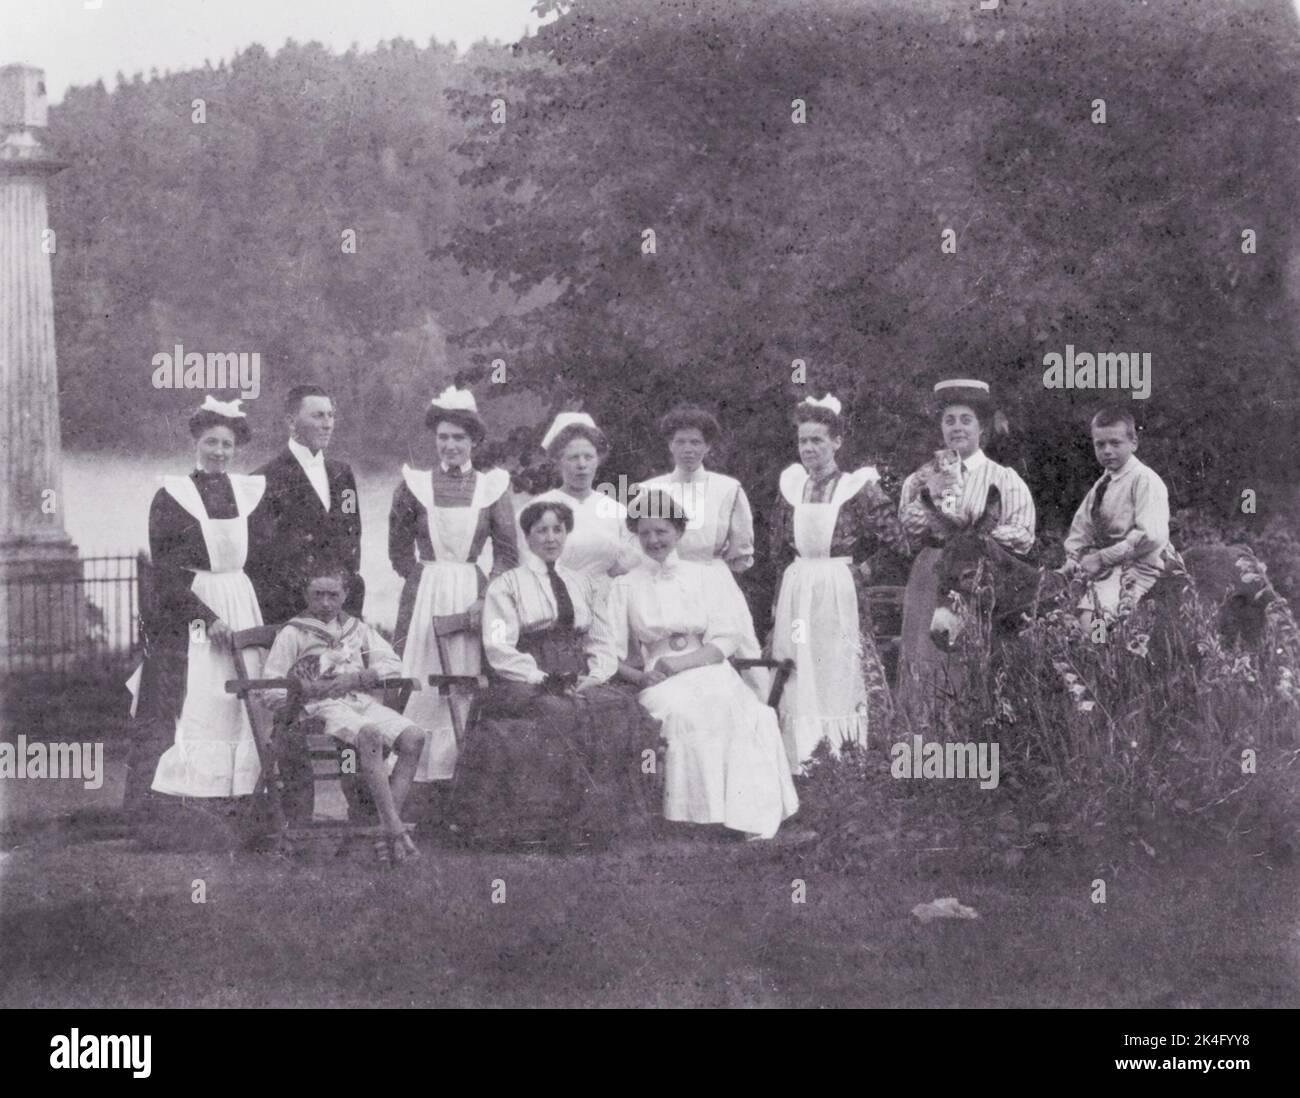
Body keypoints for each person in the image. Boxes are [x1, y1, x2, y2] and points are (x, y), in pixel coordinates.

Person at [452, 500, 659, 846]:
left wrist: (596, 676)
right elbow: (499, 648)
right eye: (541, 531)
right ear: (528, 536)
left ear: (566, 534)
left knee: (624, 709)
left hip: (578, 676)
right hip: (523, 680)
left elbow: (601, 640)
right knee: (561, 713)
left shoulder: (583, 584)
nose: (550, 538)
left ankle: (611, 818)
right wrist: (542, 679)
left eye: (558, 530)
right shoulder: (507, 585)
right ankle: (557, 825)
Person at [602, 489, 798, 840]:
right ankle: (695, 816)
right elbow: (608, 653)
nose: (653, 540)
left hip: (708, 667)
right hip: (659, 677)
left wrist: (682, 663)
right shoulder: (625, 586)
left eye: (661, 531)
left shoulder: (705, 577)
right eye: (644, 533)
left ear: (679, 531)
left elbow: (725, 639)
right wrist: (641, 677)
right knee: (685, 714)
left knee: (741, 711)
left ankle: (741, 815)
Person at [130, 397, 266, 802]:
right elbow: (166, 573)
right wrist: (207, 618)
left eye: (226, 444)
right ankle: (193, 796)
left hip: (241, 601)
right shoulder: (172, 496)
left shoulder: (246, 492)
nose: (219, 452)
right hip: (195, 608)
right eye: (211, 442)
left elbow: (260, 558)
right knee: (204, 696)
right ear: (196, 442)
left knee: (244, 699)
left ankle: (242, 791)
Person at [769, 394, 912, 771]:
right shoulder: (791, 486)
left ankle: (843, 754)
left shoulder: (857, 488)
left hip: (838, 588)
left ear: (837, 442)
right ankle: (799, 756)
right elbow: (778, 548)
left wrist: (863, 572)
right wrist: (781, 593)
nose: (809, 448)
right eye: (803, 440)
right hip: (798, 588)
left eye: (817, 440)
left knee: (836, 663)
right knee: (798, 661)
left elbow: (898, 544)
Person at [389, 385, 519, 783]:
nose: (450, 445)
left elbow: (508, 554)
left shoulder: (492, 487)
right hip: (425, 589)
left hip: (471, 592)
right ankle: (411, 773)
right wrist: (421, 581)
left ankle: (457, 774)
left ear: (474, 440)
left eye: (459, 437)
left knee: (464, 681)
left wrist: (486, 597)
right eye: (443, 437)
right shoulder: (414, 484)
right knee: (417, 674)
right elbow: (397, 549)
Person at [259, 563, 425, 864]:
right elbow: (271, 688)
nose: (325, 603)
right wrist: (305, 692)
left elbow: (393, 663)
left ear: (345, 594)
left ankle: (384, 829)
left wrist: (360, 677)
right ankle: (395, 831)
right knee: (369, 733)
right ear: (306, 595)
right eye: (318, 595)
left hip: (359, 700)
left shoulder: (356, 629)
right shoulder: (294, 632)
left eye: (333, 595)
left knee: (414, 736)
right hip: (320, 708)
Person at [895, 379, 1036, 720]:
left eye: (965, 420)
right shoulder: (919, 479)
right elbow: (907, 531)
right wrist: (930, 490)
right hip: (931, 573)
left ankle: (969, 731)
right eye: (949, 420)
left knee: (969, 661)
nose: (957, 427)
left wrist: (975, 538)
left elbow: (1022, 534)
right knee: (925, 657)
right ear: (941, 428)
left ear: (981, 428)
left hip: (977, 577)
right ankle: (924, 734)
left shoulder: (1002, 478)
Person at [641, 404, 769, 698]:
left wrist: (715, 573)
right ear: (669, 444)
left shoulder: (728, 488)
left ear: (708, 446)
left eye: (696, 442)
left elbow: (741, 549)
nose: (688, 449)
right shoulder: (648, 489)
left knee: (741, 653)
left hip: (714, 579)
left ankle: (758, 714)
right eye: (680, 442)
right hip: (664, 580)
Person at [247, 384, 363, 625]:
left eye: (330, 415)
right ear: (292, 422)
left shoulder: (343, 474)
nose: (327, 424)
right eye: (318, 416)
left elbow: (353, 532)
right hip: (289, 610)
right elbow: (262, 559)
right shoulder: (263, 479)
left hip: (341, 608)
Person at [1063, 407, 1181, 622]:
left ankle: (1097, 642)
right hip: (1106, 566)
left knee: (1090, 620)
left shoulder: (1144, 480)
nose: (1107, 451)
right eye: (1100, 444)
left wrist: (1102, 557)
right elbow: (1081, 527)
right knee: (1056, 605)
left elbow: (1150, 536)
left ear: (1133, 443)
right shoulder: (1103, 484)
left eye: (1115, 443)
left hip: (1139, 567)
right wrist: (1073, 557)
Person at [530, 413, 642, 596]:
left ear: (598, 460)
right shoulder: (538, 509)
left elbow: (633, 561)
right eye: (573, 457)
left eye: (588, 457)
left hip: (609, 600)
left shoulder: (617, 511)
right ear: (558, 461)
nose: (582, 464)